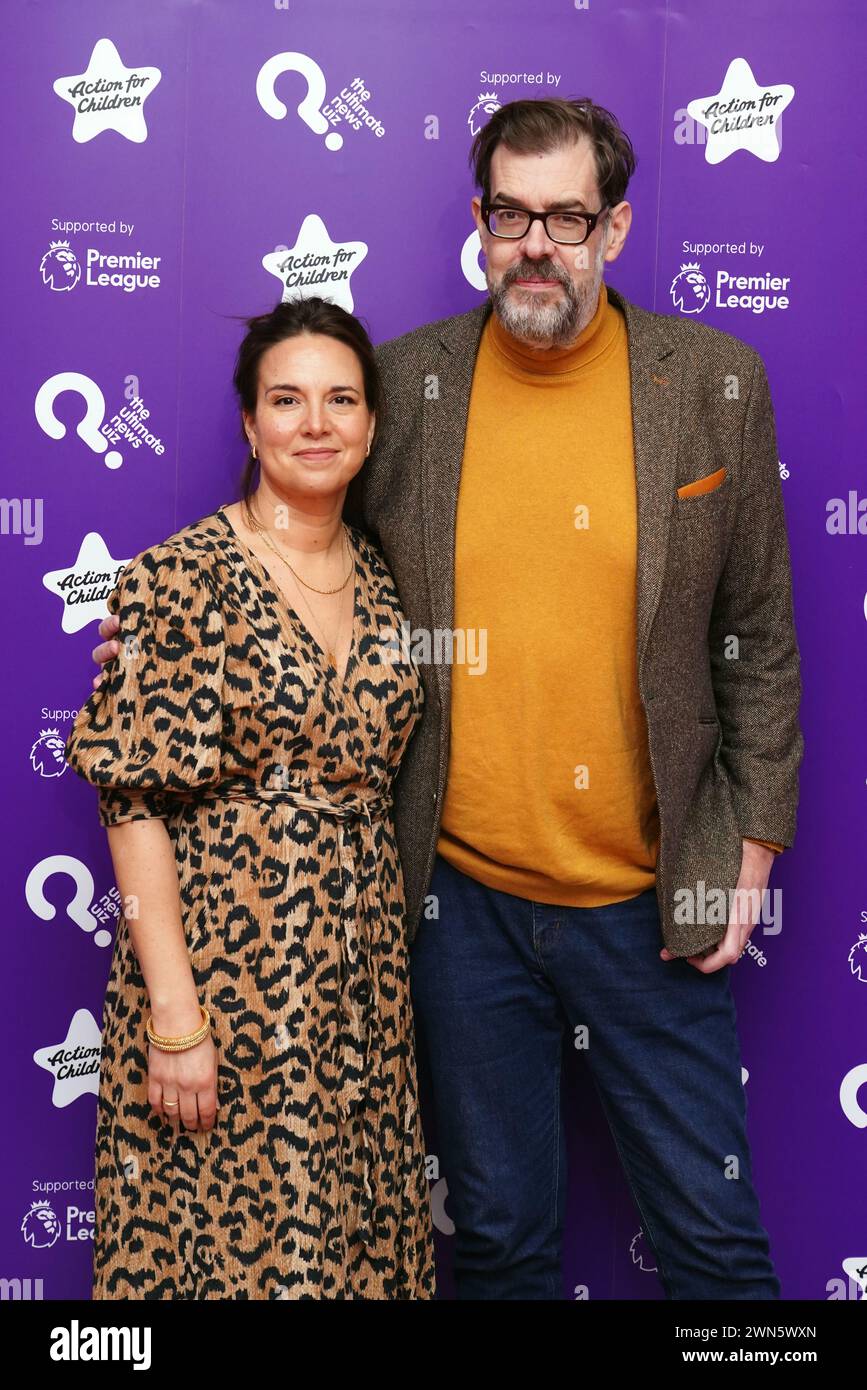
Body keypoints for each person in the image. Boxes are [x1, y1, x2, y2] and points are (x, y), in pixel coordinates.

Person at [92, 97, 803, 1301]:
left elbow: (762, 637)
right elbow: (303, 537)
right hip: (454, 908)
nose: (536, 242)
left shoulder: (715, 382)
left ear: (614, 228)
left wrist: (750, 851)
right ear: (480, 224)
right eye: (510, 213)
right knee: (501, 1246)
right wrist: (159, 616)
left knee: (718, 1252)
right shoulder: (410, 383)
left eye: (566, 216)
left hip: (650, 895)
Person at [65, 296, 435, 1300]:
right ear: (249, 422)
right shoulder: (180, 577)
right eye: (287, 399)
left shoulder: (389, 579)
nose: (315, 423)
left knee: (356, 1248)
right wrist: (176, 1016)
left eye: (340, 400)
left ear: (370, 425)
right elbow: (130, 799)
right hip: (226, 979)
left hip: (362, 992)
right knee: (221, 1257)